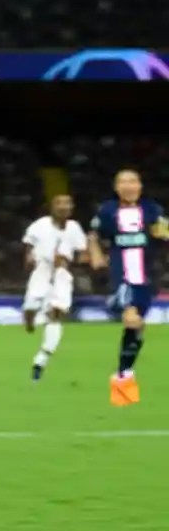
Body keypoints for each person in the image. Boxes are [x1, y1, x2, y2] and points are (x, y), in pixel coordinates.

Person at [88, 168, 169, 406]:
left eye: (133, 181)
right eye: (123, 182)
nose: (129, 186)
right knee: (131, 319)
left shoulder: (152, 209)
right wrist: (95, 255)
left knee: (136, 328)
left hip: (145, 280)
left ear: (140, 186)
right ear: (116, 187)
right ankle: (124, 377)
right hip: (120, 277)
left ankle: (123, 376)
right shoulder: (107, 210)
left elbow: (162, 233)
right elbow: (93, 235)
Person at [21, 194, 87, 381]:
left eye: (67, 203)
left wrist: (67, 262)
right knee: (31, 307)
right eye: (59, 203)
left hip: (62, 274)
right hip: (41, 270)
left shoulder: (74, 229)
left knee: (56, 313)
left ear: (72, 207)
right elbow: (28, 248)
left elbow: (83, 255)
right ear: (52, 207)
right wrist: (29, 259)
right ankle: (29, 320)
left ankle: (41, 358)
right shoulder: (39, 225)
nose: (63, 207)